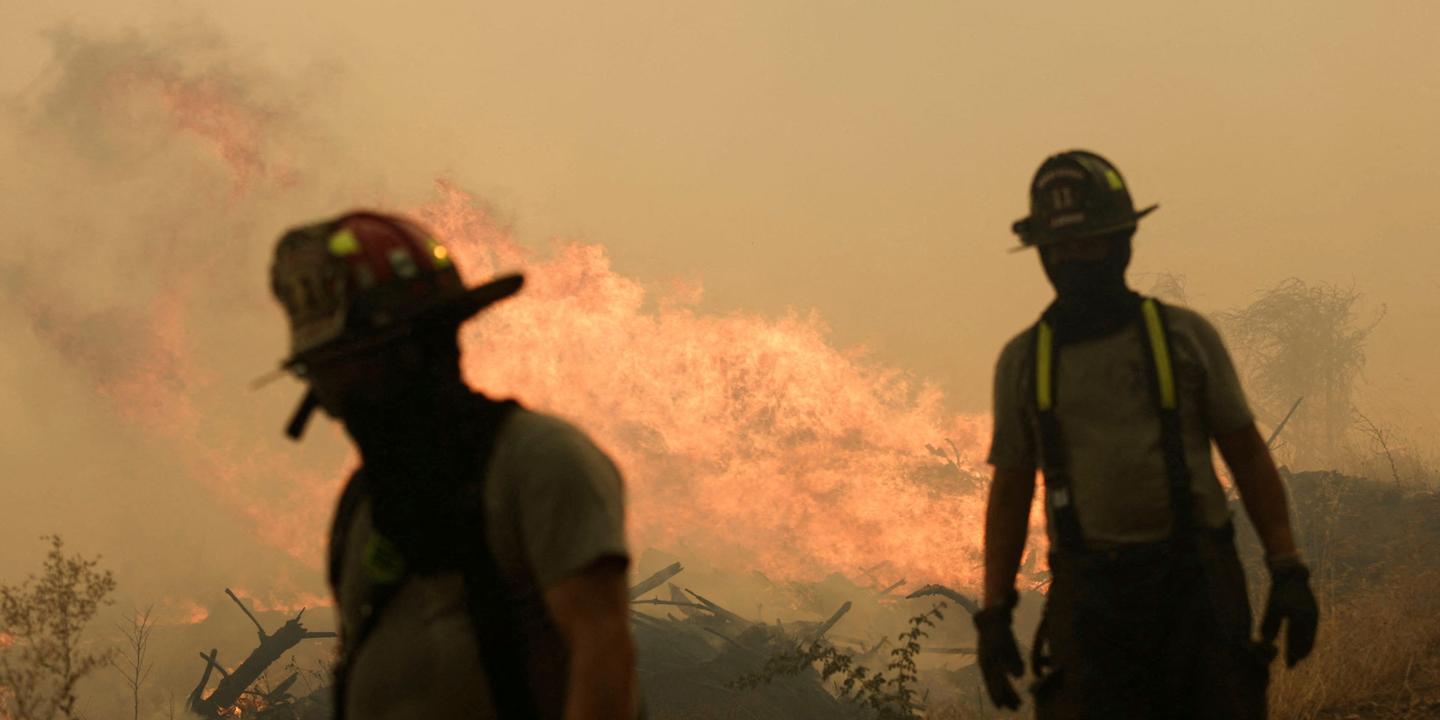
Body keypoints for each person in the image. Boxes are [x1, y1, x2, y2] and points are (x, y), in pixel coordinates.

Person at [973, 151, 1319, 719]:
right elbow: (1010, 494)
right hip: (1088, 602)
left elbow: (1249, 459)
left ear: (1123, 240)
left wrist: (1288, 569)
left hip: (1196, 589)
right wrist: (994, 612)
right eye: (1061, 247)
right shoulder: (1024, 363)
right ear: (1042, 254)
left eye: (1089, 242)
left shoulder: (1185, 338)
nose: (1074, 258)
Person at [269, 211, 637, 719]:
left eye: (350, 366)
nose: (335, 401)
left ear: (421, 351)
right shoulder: (362, 509)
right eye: (323, 374)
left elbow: (604, 663)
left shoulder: (537, 462)